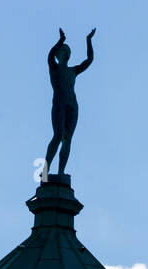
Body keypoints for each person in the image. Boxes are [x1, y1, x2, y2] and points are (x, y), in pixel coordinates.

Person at [44, 28, 95, 177]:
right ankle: (45, 171)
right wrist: (60, 41)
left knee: (67, 140)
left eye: (66, 51)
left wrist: (88, 40)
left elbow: (89, 60)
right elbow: (49, 56)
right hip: (59, 105)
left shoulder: (73, 71)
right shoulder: (54, 68)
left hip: (73, 106)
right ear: (59, 54)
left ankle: (61, 172)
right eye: (62, 50)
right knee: (58, 135)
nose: (64, 52)